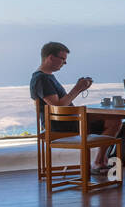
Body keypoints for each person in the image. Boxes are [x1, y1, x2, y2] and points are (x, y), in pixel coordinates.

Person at [29, 41, 112, 170]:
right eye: (62, 59)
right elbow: (58, 107)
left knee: (114, 121)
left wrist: (79, 89)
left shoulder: (47, 77)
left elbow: (62, 103)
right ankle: (99, 162)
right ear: (51, 57)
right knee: (114, 121)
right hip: (60, 124)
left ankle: (100, 160)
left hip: (68, 120)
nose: (64, 63)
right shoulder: (42, 79)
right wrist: (77, 88)